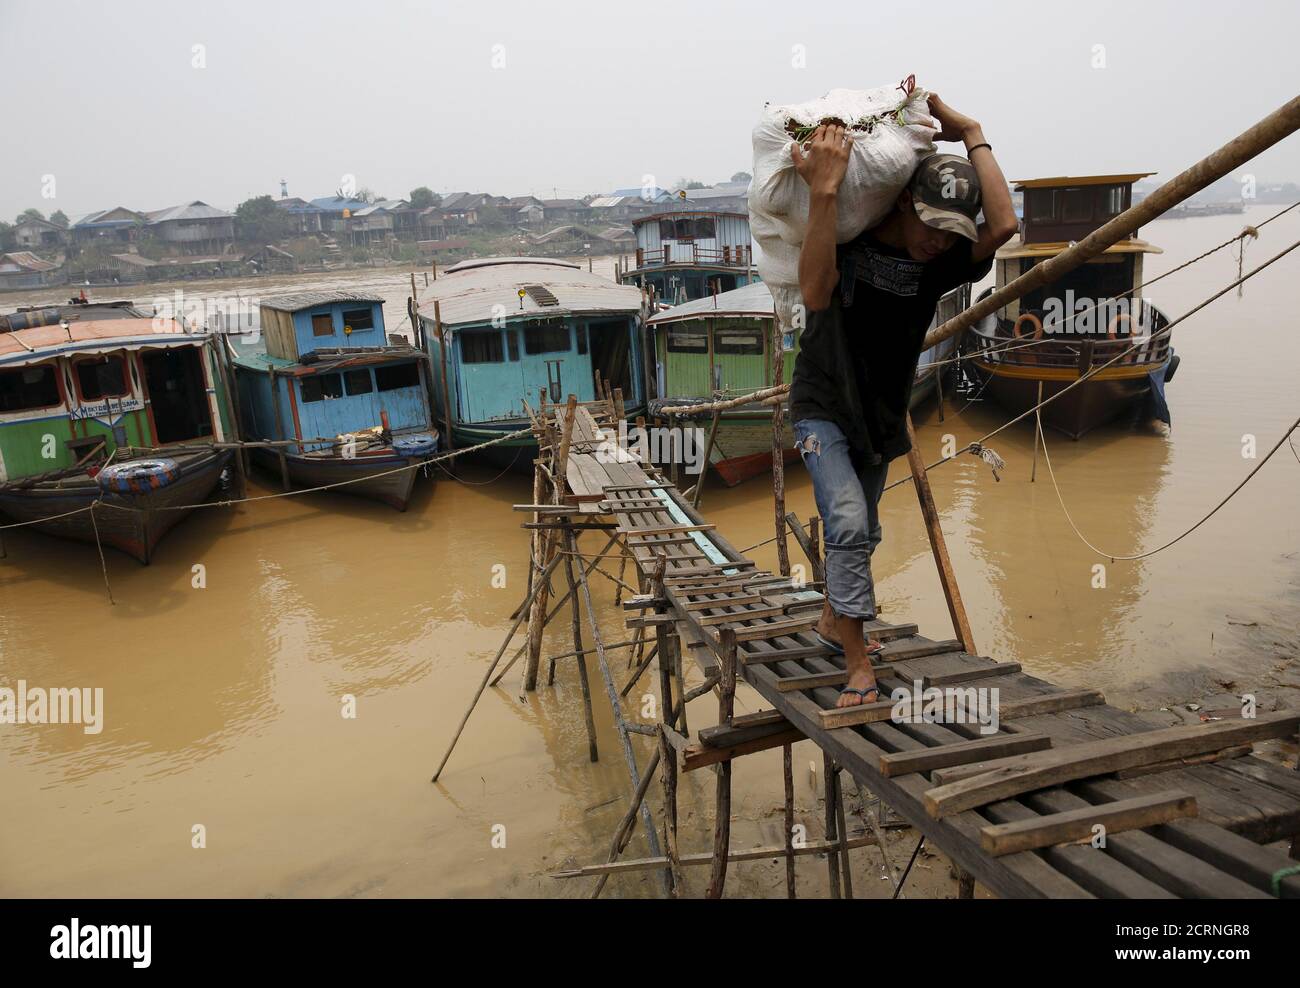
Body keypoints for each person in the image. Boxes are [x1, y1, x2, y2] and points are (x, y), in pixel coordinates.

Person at [788, 94, 1018, 708]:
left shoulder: (936, 268)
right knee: (846, 519)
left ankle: (835, 619)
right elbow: (812, 292)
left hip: (881, 415)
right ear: (902, 205)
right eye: (934, 226)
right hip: (822, 406)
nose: (941, 244)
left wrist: (972, 129)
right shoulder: (850, 242)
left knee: (864, 532)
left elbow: (1003, 226)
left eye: (953, 236)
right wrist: (824, 192)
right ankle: (858, 666)